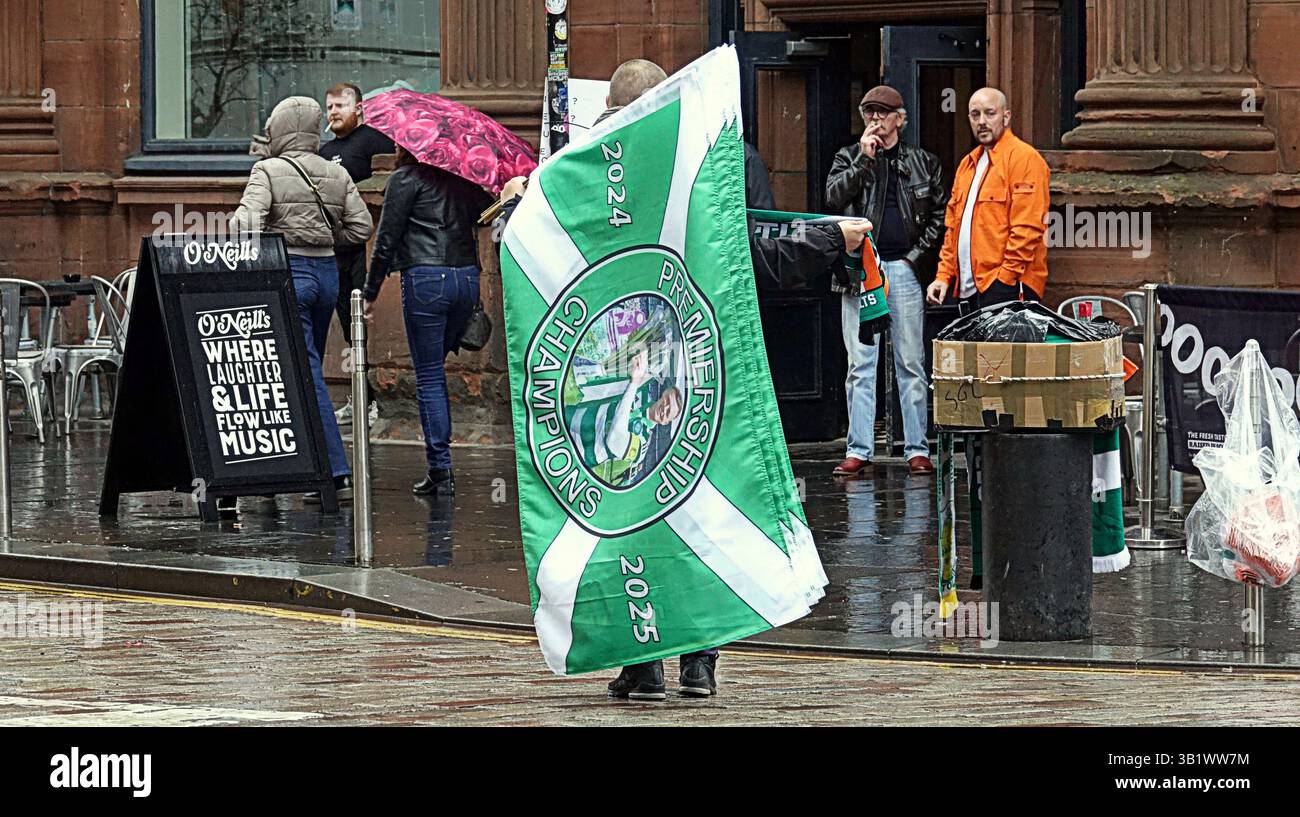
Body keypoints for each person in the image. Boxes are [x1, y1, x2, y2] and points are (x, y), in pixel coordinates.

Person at [496, 58, 873, 701]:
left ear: (610, 112)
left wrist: (519, 208)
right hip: (693, 371)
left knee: (625, 516)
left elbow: (520, 243)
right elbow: (756, 252)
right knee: (694, 510)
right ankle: (698, 664)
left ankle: (639, 664)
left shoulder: (576, 169)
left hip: (604, 371)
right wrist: (828, 240)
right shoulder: (699, 162)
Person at [232, 96, 373, 503]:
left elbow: (246, 224)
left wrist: (274, 242)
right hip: (327, 275)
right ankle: (298, 465)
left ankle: (334, 471)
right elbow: (361, 226)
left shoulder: (268, 170)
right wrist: (326, 239)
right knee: (304, 362)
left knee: (301, 370)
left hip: (286, 272)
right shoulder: (334, 171)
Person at [826, 85, 947, 478]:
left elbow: (939, 217)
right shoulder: (848, 156)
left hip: (903, 271)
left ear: (900, 118)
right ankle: (859, 449)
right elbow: (831, 199)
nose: (875, 120)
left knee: (911, 361)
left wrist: (915, 260)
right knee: (861, 364)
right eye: (868, 113)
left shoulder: (923, 162)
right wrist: (864, 158)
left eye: (882, 113)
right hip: (860, 272)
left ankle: (917, 448)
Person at [361, 145, 494, 497]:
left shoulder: (404, 179)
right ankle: (440, 461)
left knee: (430, 375)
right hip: (466, 278)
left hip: (426, 278)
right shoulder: (459, 180)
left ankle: (441, 467)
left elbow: (385, 238)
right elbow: (487, 213)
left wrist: (371, 291)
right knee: (436, 365)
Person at [926, 87, 1050, 313]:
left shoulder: (1024, 159)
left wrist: (1005, 278)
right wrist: (943, 276)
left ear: (1006, 116)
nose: (982, 121)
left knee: (1003, 350)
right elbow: (953, 229)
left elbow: (1028, 227)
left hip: (1007, 287)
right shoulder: (967, 164)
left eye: (990, 113)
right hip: (969, 289)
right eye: (975, 115)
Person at [319, 82, 394, 428]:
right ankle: (361, 398)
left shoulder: (372, 141)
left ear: (359, 108)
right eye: (330, 107)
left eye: (341, 106)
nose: (334, 112)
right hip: (335, 250)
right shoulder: (323, 151)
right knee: (349, 329)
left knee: (364, 325)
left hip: (365, 247)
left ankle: (376, 400)